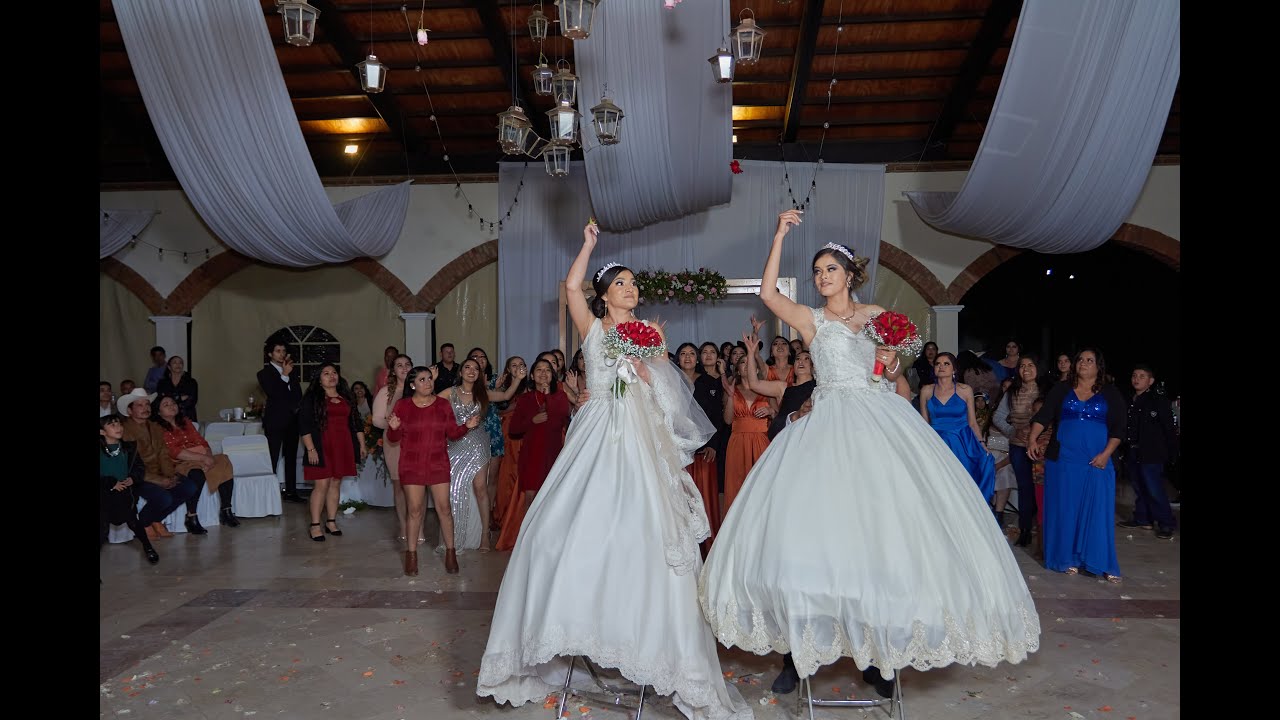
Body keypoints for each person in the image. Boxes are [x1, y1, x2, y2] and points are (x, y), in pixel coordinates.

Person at [700, 211, 1039, 698]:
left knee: (881, 536)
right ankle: (796, 655)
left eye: (830, 270)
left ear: (849, 275)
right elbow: (770, 295)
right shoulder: (812, 321)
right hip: (825, 427)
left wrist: (892, 361)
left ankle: (880, 656)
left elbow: (891, 372)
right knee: (807, 536)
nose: (822, 277)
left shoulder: (878, 316)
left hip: (878, 422)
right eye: (817, 272)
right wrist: (778, 236)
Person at [477, 221, 750, 720]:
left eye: (632, 282)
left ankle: (646, 639)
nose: (630, 288)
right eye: (620, 283)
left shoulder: (651, 335)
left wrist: (649, 370)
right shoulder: (593, 327)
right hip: (598, 429)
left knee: (645, 533)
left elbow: (671, 399)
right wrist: (587, 246)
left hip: (639, 436)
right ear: (604, 296)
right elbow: (569, 287)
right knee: (564, 529)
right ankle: (569, 623)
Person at [1028, 348, 1127, 582]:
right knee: (1066, 508)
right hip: (1064, 460)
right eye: (1080, 360)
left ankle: (1100, 561)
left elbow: (1119, 428)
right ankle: (1067, 558)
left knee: (1098, 509)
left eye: (1089, 360)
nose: (1083, 363)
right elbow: (1044, 415)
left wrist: (1106, 454)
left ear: (1098, 366)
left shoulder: (1110, 392)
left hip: (1096, 460)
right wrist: (1032, 438)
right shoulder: (1061, 389)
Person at [386, 365, 478, 575]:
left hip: (438, 463)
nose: (428, 382)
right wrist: (393, 428)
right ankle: (411, 556)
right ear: (412, 385)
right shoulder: (403, 406)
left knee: (444, 509)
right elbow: (393, 438)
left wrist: (466, 426)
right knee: (415, 510)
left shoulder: (443, 405)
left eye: (429, 378)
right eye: (422, 379)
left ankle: (451, 553)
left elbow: (452, 433)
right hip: (412, 465)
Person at [118, 388, 204, 538]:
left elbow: (164, 454)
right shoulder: (124, 430)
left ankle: (156, 519)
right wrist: (158, 480)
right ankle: (144, 523)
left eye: (147, 404)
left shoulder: (155, 427)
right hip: (138, 476)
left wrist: (170, 475)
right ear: (130, 411)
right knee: (164, 497)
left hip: (159, 472)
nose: (145, 408)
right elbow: (131, 464)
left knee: (189, 487)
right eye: (140, 405)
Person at [298, 363, 365, 542]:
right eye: (326, 373)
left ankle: (331, 521)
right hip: (320, 446)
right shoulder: (312, 398)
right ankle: (315, 525)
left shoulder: (346, 397)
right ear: (319, 379)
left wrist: (361, 444)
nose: (331, 376)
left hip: (343, 446)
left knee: (335, 483)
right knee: (321, 485)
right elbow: (304, 425)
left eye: (334, 372)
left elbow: (356, 422)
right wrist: (310, 449)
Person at [919, 352, 996, 504]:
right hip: (937, 442)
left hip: (962, 442)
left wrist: (981, 443)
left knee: (964, 481)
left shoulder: (965, 390)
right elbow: (923, 423)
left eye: (946, 364)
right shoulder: (926, 390)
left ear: (954, 369)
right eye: (938, 364)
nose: (941, 367)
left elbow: (972, 422)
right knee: (940, 484)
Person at [154, 395, 238, 528]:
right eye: (166, 405)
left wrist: (209, 457)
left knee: (223, 460)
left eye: (173, 403)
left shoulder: (185, 422)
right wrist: (203, 459)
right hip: (178, 462)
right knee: (196, 473)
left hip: (200, 457)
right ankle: (191, 516)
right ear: (158, 412)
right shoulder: (158, 428)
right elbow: (173, 451)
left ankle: (226, 509)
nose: (172, 406)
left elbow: (202, 442)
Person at [992, 355, 1050, 547]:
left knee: (1042, 489)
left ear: (1038, 368)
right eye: (1022, 366)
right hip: (1018, 446)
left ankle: (1043, 529)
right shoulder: (1012, 391)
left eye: (1030, 365)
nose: (1026, 369)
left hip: (1043, 448)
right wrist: (1012, 431)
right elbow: (998, 417)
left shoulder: (1047, 390)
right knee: (1025, 488)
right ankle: (1025, 530)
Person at [436, 358, 493, 552]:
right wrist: (431, 379)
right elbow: (429, 402)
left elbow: (506, 395)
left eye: (476, 368)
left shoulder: (483, 393)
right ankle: (453, 535)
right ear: (460, 372)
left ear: (479, 374)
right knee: (453, 489)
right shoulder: (449, 393)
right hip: (455, 442)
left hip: (478, 443)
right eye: (467, 367)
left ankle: (485, 535)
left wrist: (517, 379)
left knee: (481, 488)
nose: (471, 370)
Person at [1117, 364, 1178, 540]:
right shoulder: (1129, 400)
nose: (1136, 379)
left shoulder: (1158, 401)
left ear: (1150, 381)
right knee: (1139, 487)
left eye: (1141, 376)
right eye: (1134, 375)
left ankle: (1166, 523)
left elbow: (1169, 428)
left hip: (1152, 453)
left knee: (1154, 489)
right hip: (1132, 451)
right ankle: (1143, 519)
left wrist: (1172, 452)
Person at [508, 358, 573, 509]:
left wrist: (548, 395)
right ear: (531, 376)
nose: (543, 373)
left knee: (551, 498)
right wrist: (532, 421)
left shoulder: (560, 396)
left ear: (552, 376)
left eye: (547, 370)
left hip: (553, 453)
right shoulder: (525, 399)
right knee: (530, 498)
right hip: (532, 454)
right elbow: (513, 429)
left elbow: (559, 419)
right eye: (539, 369)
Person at [100, 414, 160, 565]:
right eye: (112, 425)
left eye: (119, 424)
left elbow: (139, 467)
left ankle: (148, 547)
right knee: (102, 529)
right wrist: (110, 483)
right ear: (102, 432)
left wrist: (133, 478)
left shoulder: (129, 448)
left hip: (124, 492)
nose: (118, 427)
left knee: (133, 521)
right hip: (104, 494)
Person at [373, 354, 418, 543]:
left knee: (418, 485)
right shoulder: (387, 392)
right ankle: (403, 525)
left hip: (417, 442)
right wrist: (394, 426)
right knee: (399, 485)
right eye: (399, 365)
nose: (404, 368)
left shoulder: (419, 388)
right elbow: (376, 420)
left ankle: (418, 527)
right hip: (394, 442)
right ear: (393, 371)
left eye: (407, 364)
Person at [258, 341, 305, 503]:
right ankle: (268, 494)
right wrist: (284, 374)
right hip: (275, 420)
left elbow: (297, 394)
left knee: (291, 456)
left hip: (292, 419)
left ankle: (291, 492)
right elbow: (274, 393)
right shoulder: (264, 373)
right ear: (270, 354)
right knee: (272, 456)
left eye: (284, 351)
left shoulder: (292, 371)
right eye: (278, 351)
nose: (282, 354)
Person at [156, 355, 199, 422]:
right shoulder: (162, 383)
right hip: (168, 417)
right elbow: (161, 399)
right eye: (175, 362)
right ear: (169, 367)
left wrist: (171, 400)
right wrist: (179, 398)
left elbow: (192, 401)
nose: (178, 364)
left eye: (180, 363)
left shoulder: (191, 382)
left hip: (187, 416)